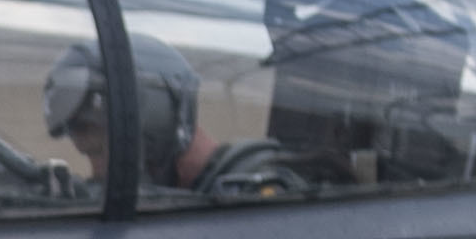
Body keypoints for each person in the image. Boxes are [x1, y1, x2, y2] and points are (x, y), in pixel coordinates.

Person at [43, 36, 303, 200]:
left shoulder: (258, 197)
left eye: (98, 152)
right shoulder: (190, 201)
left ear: (151, 121)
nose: (96, 172)